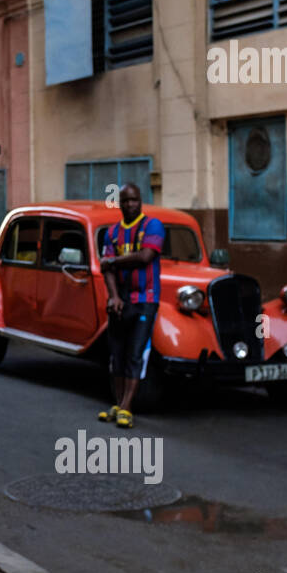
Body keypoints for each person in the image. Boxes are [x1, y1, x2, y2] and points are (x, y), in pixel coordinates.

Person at [97, 183, 164, 428]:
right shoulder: (112, 233)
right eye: (125, 201)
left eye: (134, 200)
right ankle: (118, 404)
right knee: (117, 355)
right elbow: (107, 269)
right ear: (119, 203)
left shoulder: (152, 226)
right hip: (120, 301)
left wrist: (113, 260)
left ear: (141, 201)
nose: (130, 205)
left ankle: (127, 407)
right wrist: (113, 296)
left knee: (136, 354)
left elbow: (146, 256)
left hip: (145, 301)